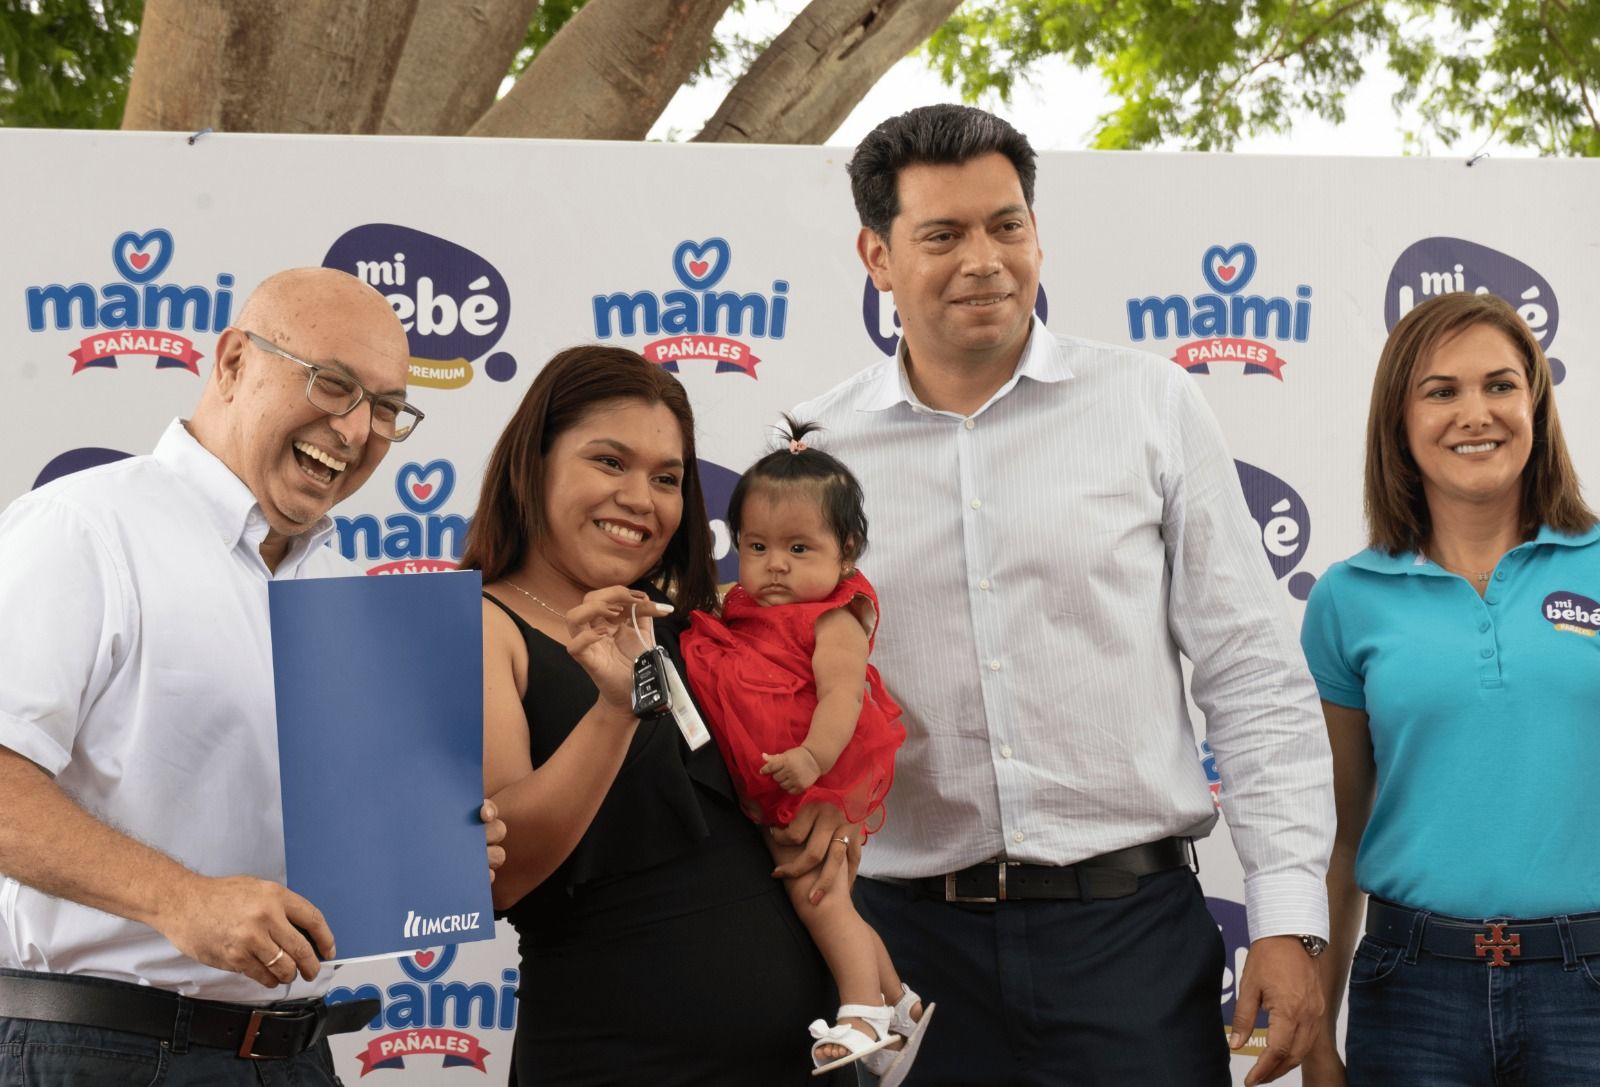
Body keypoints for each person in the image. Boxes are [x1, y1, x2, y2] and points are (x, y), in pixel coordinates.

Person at [791, 103, 1337, 1087]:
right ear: (876, 256)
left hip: (1129, 944)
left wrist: (1290, 918)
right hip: (903, 947)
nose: (984, 260)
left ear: (1037, 232)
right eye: (942, 234)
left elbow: (1251, 675)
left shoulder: (1149, 405)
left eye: (1007, 224)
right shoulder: (811, 451)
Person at [0, 267, 507, 1084]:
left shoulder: (346, 590)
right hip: (103, 1052)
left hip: (298, 1056)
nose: (355, 428)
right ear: (234, 362)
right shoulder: (83, 527)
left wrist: (433, 844)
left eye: (385, 407)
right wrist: (181, 898)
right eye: (333, 383)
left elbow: (323, 829)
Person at [464, 346, 857, 1087]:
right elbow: (500, 872)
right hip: (616, 1057)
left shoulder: (697, 626)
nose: (642, 499)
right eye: (609, 462)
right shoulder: (481, 626)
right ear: (535, 462)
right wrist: (618, 707)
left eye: (667, 477)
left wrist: (827, 815)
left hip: (797, 1061)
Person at [1298, 291, 1600, 1087]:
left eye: (1501, 385)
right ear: (1399, 418)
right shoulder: (1345, 599)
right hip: (1412, 991)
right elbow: (1340, 837)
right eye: (1442, 390)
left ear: (1536, 404)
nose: (1477, 412)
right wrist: (1320, 1032)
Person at [679, 419, 933, 1084]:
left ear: (846, 553)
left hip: (817, 774)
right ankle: (900, 1001)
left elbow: (844, 698)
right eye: (756, 546)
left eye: (799, 547)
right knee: (832, 900)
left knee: (818, 893)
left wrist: (814, 761)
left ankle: (860, 1014)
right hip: (775, 778)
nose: (776, 565)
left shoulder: (835, 618)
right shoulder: (743, 605)